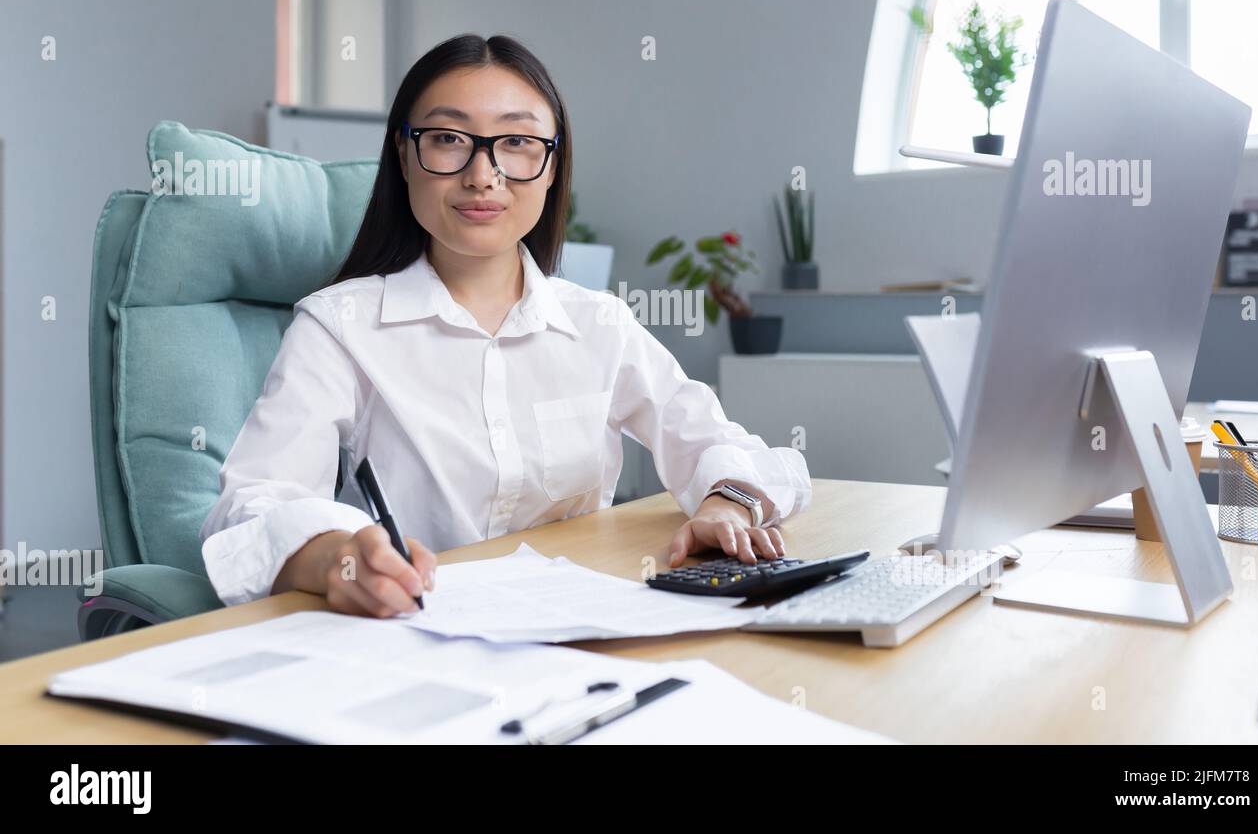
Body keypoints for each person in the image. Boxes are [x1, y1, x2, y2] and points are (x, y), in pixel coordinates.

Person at [199, 33, 811, 617]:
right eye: (447, 138)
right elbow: (249, 511)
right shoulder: (340, 327)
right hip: (414, 634)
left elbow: (715, 440)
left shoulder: (598, 324)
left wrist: (726, 506)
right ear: (404, 154)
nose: (482, 175)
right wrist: (336, 558)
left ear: (551, 167)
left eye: (517, 143)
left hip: (586, 625)